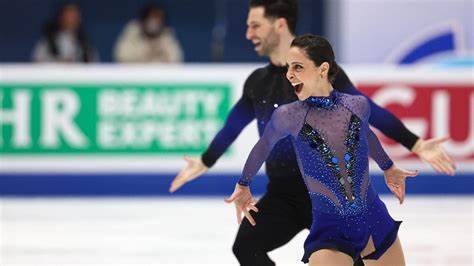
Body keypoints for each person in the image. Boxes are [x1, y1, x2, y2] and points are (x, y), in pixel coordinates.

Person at [170, 1, 456, 265]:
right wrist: (206, 161)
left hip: (334, 197)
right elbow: (232, 127)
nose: (248, 34)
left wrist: (415, 143)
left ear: (279, 24)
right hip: (284, 196)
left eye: (255, 25)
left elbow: (367, 114)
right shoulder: (258, 83)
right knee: (246, 246)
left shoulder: (326, 77)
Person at [226, 34, 418, 265]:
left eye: (298, 67)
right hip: (331, 230)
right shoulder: (289, 115)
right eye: (288, 67)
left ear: (322, 69)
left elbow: (366, 135)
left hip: (374, 217)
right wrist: (243, 184)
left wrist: (388, 167)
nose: (289, 75)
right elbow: (263, 146)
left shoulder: (356, 104)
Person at [114, 4, 184, 63]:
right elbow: (120, 56)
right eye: (152, 18)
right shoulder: (132, 31)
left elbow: (177, 58)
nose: (154, 23)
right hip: (134, 75)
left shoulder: (166, 34)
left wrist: (161, 50)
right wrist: (145, 52)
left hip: (159, 76)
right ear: (143, 20)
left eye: (159, 19)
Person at [32, 3, 98, 63]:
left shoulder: (85, 42)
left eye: (75, 16)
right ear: (61, 17)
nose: (71, 20)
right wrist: (59, 63)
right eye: (68, 16)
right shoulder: (49, 41)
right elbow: (37, 61)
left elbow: (93, 63)